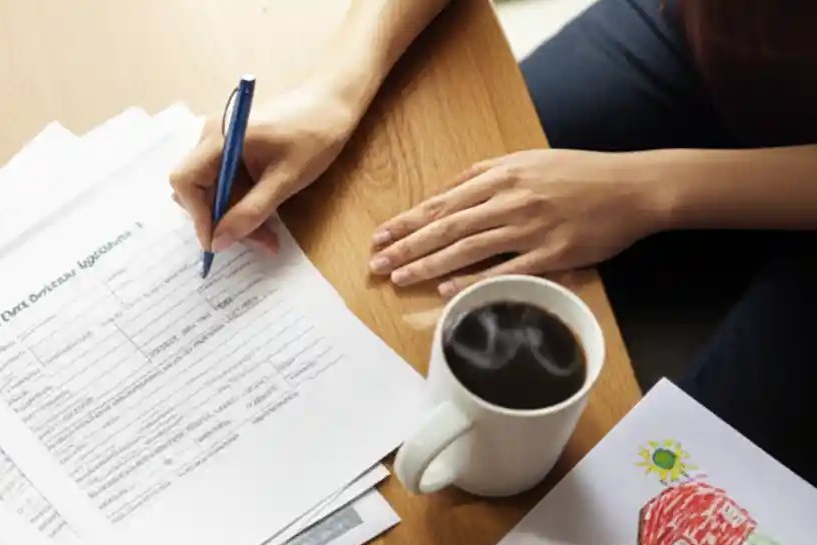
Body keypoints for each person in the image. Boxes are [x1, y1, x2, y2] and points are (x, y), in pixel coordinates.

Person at [170, 0, 817, 484]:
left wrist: (651, 191)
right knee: (415, 193)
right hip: (705, 35)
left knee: (674, 499)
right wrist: (334, 92)